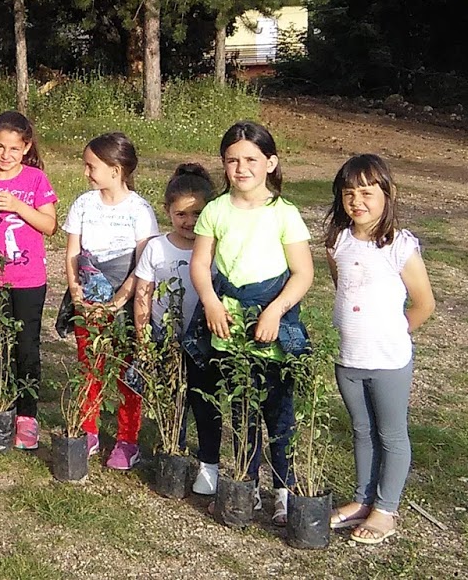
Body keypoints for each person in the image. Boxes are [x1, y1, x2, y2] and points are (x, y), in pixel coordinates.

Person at [187, 120, 314, 524]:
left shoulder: (285, 214)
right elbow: (201, 263)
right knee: (241, 405)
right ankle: (246, 486)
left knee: (278, 408)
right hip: (229, 326)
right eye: (232, 160)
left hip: (273, 325)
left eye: (251, 160)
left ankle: (284, 491)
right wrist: (209, 301)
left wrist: (275, 310)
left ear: (270, 163)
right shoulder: (215, 210)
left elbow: (303, 273)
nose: (241, 168)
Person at [325, 154, 434, 546]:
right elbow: (343, 290)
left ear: (387, 195)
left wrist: (393, 333)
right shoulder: (336, 241)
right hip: (348, 358)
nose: (358, 201)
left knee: (391, 434)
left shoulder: (400, 247)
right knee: (361, 430)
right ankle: (362, 498)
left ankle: (386, 509)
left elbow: (424, 304)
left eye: (367, 193)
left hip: (388, 360)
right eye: (349, 193)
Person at [61, 132, 159, 470]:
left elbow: (143, 264)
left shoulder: (140, 211)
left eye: (92, 166)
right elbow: (73, 252)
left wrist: (118, 302)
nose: (86, 173)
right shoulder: (83, 204)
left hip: (124, 303)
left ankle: (127, 438)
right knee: (90, 366)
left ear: (116, 170)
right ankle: (88, 429)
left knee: (126, 372)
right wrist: (76, 290)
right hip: (87, 299)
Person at [0, 111, 58, 451]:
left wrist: (18, 205)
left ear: (26, 147)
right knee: (1, 342)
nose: (5, 155)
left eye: (14, 149)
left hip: (29, 278)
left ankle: (27, 417)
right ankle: (4, 404)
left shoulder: (35, 180)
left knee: (27, 346)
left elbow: (49, 225)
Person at [132, 163, 215, 454]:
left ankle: (208, 459)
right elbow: (143, 293)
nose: (189, 221)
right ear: (167, 211)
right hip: (164, 338)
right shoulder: (157, 248)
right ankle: (171, 448)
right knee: (170, 399)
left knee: (204, 401)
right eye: (181, 214)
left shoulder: (215, 250)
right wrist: (143, 336)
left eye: (197, 214)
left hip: (204, 342)